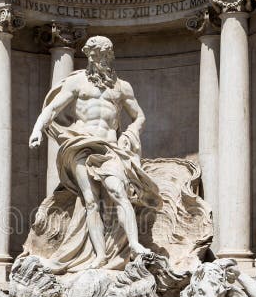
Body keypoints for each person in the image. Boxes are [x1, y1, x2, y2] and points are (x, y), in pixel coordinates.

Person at [28, 36, 162, 272]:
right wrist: (37, 129)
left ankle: (134, 245)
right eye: (90, 55)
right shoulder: (77, 82)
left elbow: (139, 116)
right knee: (90, 202)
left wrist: (130, 133)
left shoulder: (122, 87)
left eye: (98, 54)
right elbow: (53, 108)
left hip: (110, 146)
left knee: (119, 192)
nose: (93, 59)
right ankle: (99, 255)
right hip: (81, 144)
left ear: (108, 56)